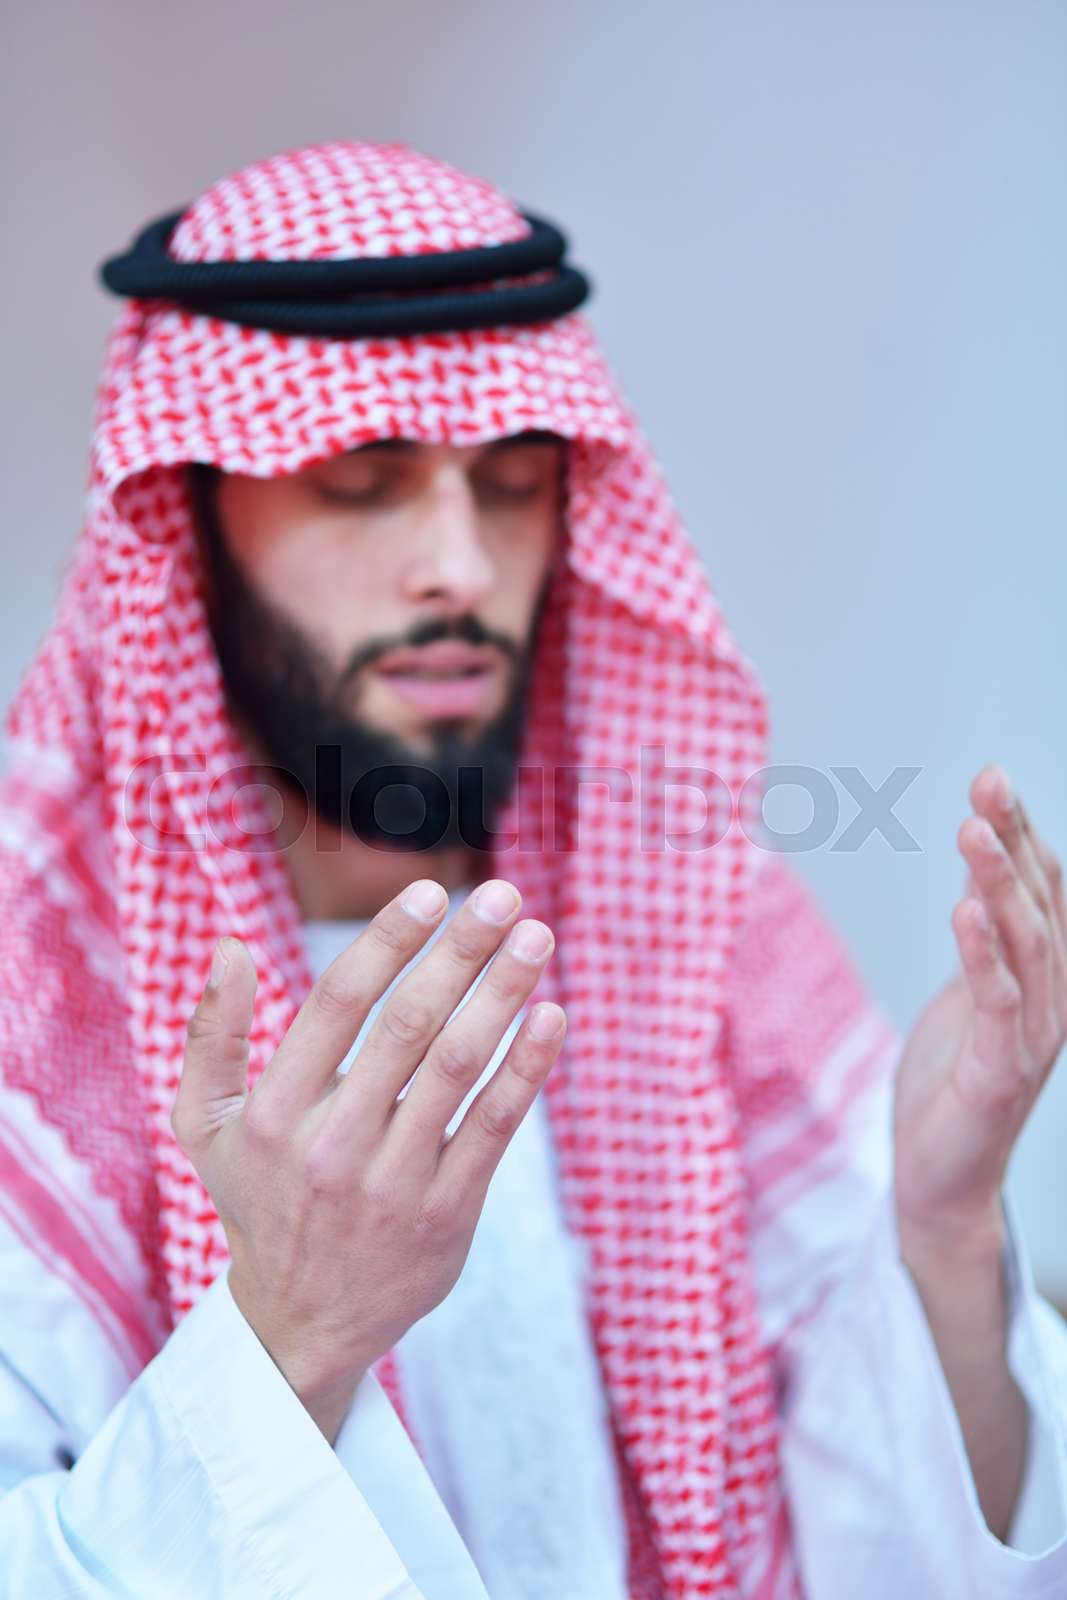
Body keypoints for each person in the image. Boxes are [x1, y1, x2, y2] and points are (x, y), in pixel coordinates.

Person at [0, 141, 1065, 1600]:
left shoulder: (703, 940)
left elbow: (917, 1565)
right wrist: (290, 1335)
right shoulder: (28, 1011)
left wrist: (945, 1228)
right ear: (184, 522)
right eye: (360, 481)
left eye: (510, 484)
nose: (457, 562)